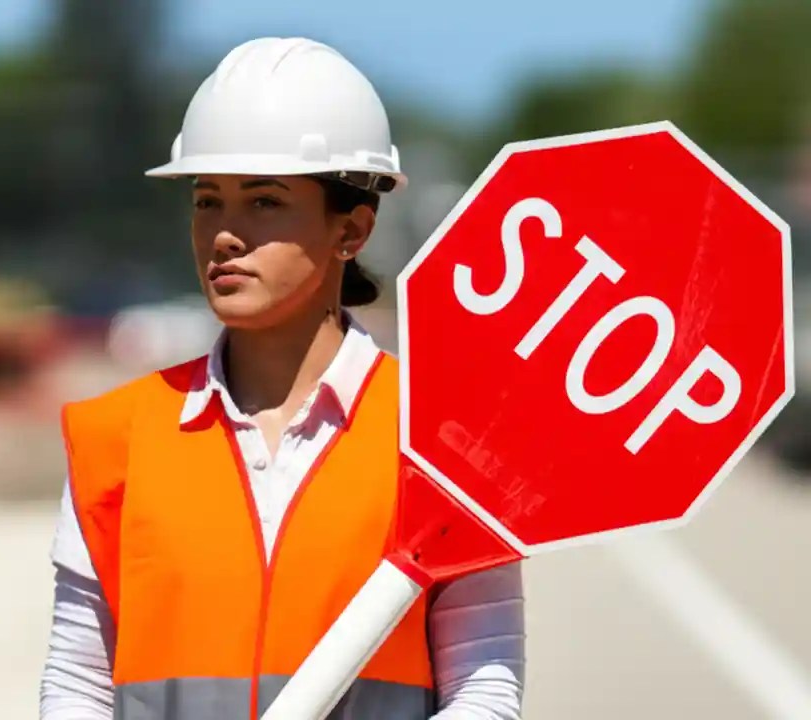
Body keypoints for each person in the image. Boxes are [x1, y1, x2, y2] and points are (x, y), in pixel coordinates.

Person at [40, 37, 524, 720]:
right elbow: (76, 684)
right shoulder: (115, 437)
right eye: (207, 201)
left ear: (351, 229)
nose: (225, 234)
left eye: (263, 202)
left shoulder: (442, 443)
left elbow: (485, 686)